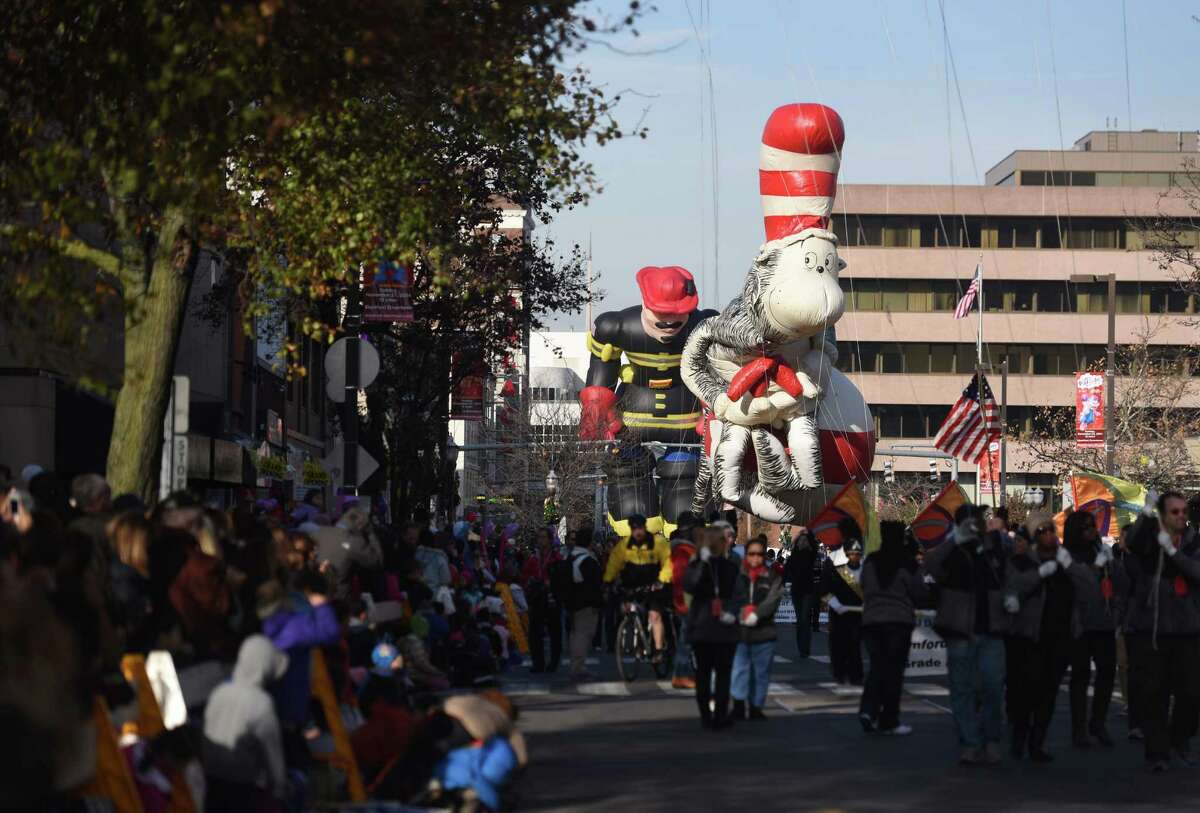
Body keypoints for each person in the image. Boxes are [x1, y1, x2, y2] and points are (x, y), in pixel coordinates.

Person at [925, 504, 1028, 765]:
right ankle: (970, 742)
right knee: (962, 689)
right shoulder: (951, 549)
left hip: (992, 628)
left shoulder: (994, 546)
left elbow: (1011, 571)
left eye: (978, 521)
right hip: (960, 629)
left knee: (993, 687)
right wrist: (954, 541)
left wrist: (1012, 595)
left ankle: (991, 739)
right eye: (969, 522)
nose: (975, 526)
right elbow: (932, 566)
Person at [1122, 490, 1200, 772]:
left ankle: (1180, 737)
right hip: (1152, 629)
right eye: (1174, 512)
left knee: (1191, 693)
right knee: (1153, 692)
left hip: (1187, 630)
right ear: (1163, 515)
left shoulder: (1192, 542)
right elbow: (1130, 544)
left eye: (1184, 512)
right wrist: (1145, 513)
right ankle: (1157, 752)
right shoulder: (1149, 541)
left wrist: (1173, 553)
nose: (1180, 517)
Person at [1005, 522, 1089, 762]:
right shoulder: (1025, 561)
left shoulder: (1066, 561)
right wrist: (1039, 574)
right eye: (1043, 532)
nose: (1049, 535)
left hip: (1060, 637)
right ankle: (1020, 731)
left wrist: (1070, 566)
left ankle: (1038, 741)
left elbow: (1089, 586)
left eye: (1052, 530)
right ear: (1035, 536)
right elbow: (1012, 586)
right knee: (1024, 691)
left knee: (1048, 693)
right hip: (1030, 637)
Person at [202, 635, 289, 812]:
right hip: (243, 788)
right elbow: (272, 751)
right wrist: (280, 786)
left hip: (211, 782)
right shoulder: (261, 702)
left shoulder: (219, 692)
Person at [1064, 510, 1125, 748]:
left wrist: (1117, 606)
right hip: (1079, 624)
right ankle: (1079, 728)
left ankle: (1098, 722)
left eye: (1093, 526)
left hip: (1104, 621)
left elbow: (1121, 582)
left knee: (1107, 672)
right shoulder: (1067, 555)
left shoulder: (1100, 551)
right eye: (1086, 527)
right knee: (1080, 676)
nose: (1092, 531)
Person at [859, 521, 927, 735]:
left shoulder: (871, 561)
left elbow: (863, 585)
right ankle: (889, 718)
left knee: (877, 667)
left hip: (872, 620)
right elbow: (920, 593)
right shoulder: (908, 564)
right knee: (894, 671)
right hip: (899, 622)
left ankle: (868, 710)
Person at [683, 526, 740, 730]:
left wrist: (731, 613)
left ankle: (716, 714)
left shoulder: (729, 567)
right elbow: (690, 585)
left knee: (716, 674)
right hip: (705, 626)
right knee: (708, 674)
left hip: (716, 626)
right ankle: (711, 715)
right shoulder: (700, 565)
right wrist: (702, 564)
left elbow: (737, 593)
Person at [602, 514, 673, 663]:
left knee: (654, 615)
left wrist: (661, 580)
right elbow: (614, 564)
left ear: (645, 527)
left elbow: (668, 563)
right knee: (628, 610)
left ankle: (659, 649)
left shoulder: (658, 542)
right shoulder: (624, 546)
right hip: (632, 586)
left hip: (654, 585)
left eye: (640, 527)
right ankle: (638, 642)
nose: (637, 531)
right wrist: (608, 581)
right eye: (634, 528)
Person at [730, 536, 784, 721]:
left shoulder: (772, 576)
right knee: (739, 671)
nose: (755, 558)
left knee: (760, 673)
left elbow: (773, 599)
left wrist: (757, 614)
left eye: (759, 554)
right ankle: (738, 705)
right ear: (746, 555)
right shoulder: (737, 575)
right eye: (751, 554)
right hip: (740, 632)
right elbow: (732, 598)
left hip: (764, 632)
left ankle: (755, 707)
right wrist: (738, 614)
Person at [821, 521, 865, 685]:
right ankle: (840, 672)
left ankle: (854, 674)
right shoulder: (833, 560)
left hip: (858, 612)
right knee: (839, 643)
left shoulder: (865, 562)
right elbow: (824, 590)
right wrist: (835, 604)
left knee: (854, 645)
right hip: (839, 611)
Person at [310, 505, 383, 600]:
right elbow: (377, 562)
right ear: (360, 525)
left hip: (311, 593)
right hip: (337, 597)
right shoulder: (354, 542)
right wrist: (371, 534)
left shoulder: (318, 532)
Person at [562, 528, 603, 681]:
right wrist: (598, 602)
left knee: (575, 635)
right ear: (589, 542)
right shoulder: (587, 560)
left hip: (571, 602)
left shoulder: (570, 557)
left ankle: (576, 666)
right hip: (585, 604)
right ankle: (578, 669)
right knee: (582, 635)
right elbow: (594, 584)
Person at [522, 527, 563, 674]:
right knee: (535, 632)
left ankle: (554, 662)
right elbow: (525, 576)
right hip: (537, 597)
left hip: (551, 597)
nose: (541, 540)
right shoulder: (533, 559)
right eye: (539, 537)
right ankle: (538, 663)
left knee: (554, 632)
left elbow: (562, 578)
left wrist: (551, 583)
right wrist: (531, 582)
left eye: (544, 537)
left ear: (550, 540)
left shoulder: (556, 558)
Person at [668, 515, 699, 689]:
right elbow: (681, 577)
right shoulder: (682, 550)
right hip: (686, 599)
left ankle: (685, 671)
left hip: (687, 598)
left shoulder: (687, 548)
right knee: (685, 639)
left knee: (688, 638)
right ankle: (680, 674)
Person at [784, 527, 819, 658]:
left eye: (805, 540)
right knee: (800, 620)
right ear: (798, 543)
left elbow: (814, 545)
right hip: (796, 591)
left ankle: (805, 649)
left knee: (805, 619)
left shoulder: (811, 554)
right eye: (801, 540)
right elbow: (787, 571)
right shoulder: (793, 556)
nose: (803, 542)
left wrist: (808, 531)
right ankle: (801, 647)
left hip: (808, 590)